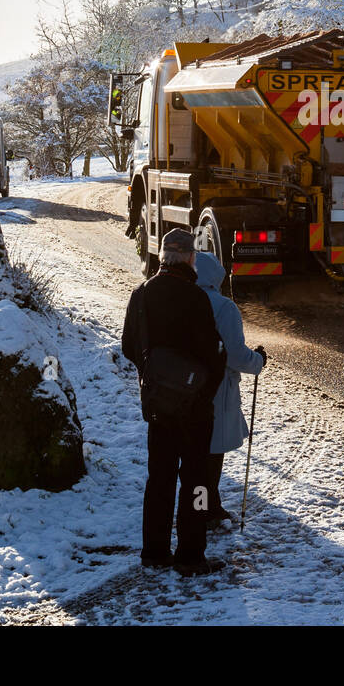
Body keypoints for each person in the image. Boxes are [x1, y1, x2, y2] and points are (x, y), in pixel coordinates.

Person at [121, 228, 226, 577]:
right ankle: (191, 555)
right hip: (195, 408)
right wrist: (203, 389)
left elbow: (128, 347)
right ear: (191, 258)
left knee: (160, 479)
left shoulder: (142, 295)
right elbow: (212, 355)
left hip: (157, 405)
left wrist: (155, 377)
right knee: (195, 481)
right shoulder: (195, 298)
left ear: (163, 257)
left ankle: (154, 551)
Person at [193, 251, 267, 526]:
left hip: (182, 389)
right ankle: (206, 511)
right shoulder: (223, 307)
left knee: (194, 457)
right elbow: (234, 354)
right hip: (216, 390)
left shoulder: (181, 300)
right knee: (212, 455)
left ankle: (201, 507)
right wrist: (258, 360)